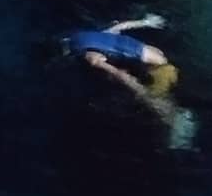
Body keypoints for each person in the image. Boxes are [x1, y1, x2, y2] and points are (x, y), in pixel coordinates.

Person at [64, 15, 197, 149]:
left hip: (161, 71)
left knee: (148, 97)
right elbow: (122, 25)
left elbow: (118, 74)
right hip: (164, 64)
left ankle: (177, 122)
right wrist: (147, 22)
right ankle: (180, 115)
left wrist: (131, 83)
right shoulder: (104, 33)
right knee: (155, 89)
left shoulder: (91, 57)